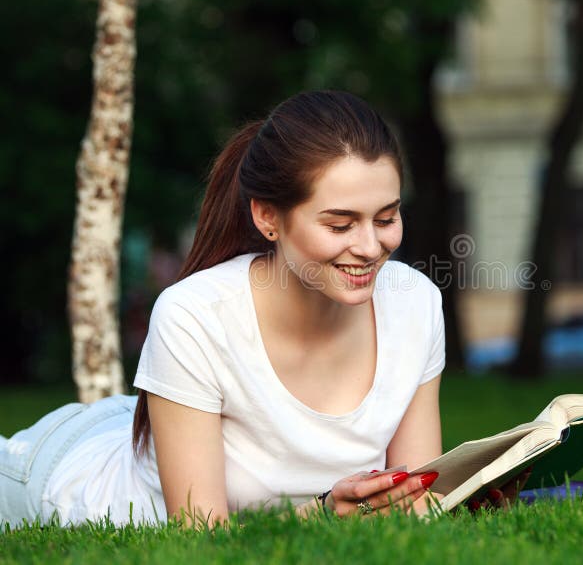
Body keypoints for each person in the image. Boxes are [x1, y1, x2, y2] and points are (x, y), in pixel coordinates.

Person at [0, 91, 445, 529]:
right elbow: (200, 536)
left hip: (170, 421)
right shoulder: (194, 316)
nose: (371, 247)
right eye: (340, 225)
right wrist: (324, 514)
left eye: (386, 219)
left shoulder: (415, 303)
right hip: (59, 468)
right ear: (268, 217)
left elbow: (413, 499)